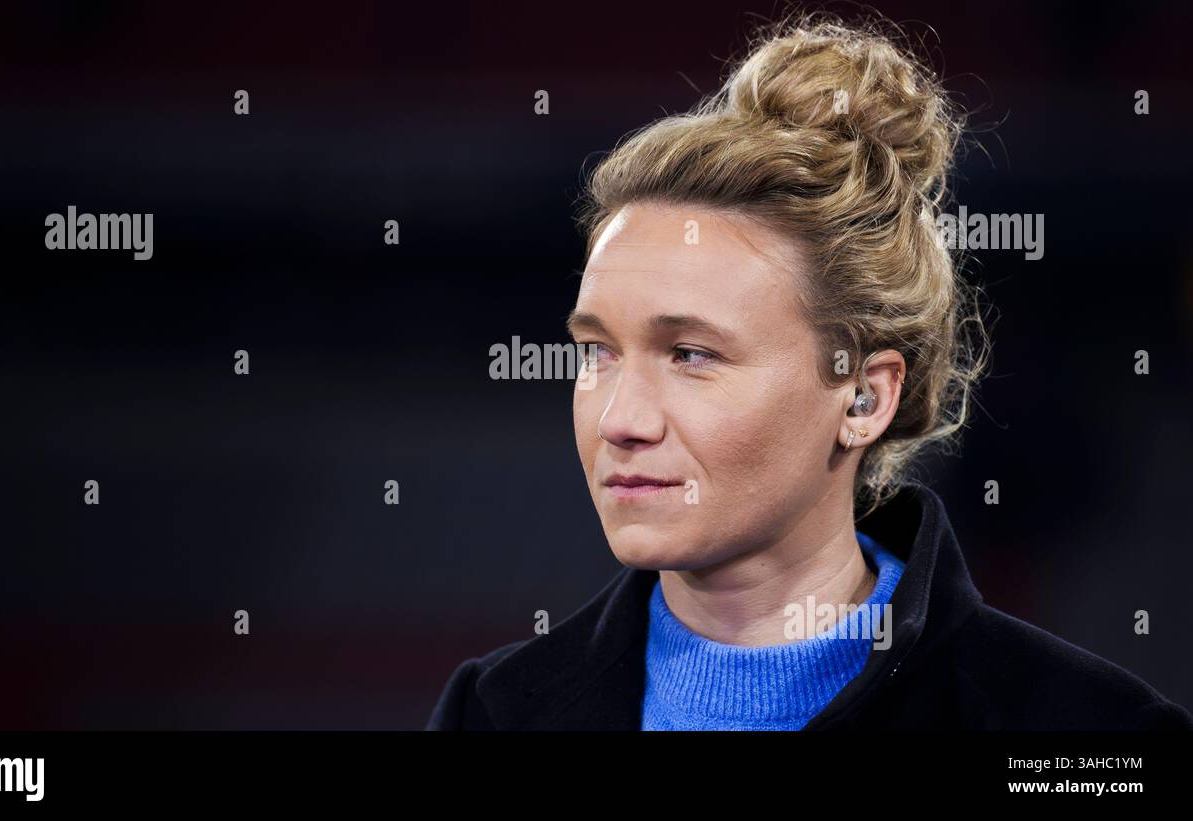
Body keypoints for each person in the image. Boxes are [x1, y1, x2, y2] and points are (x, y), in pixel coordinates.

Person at [426, 13, 1193, 731]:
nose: (621, 419)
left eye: (691, 354)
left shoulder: (1091, 734)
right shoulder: (490, 714)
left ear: (864, 396)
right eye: (598, 351)